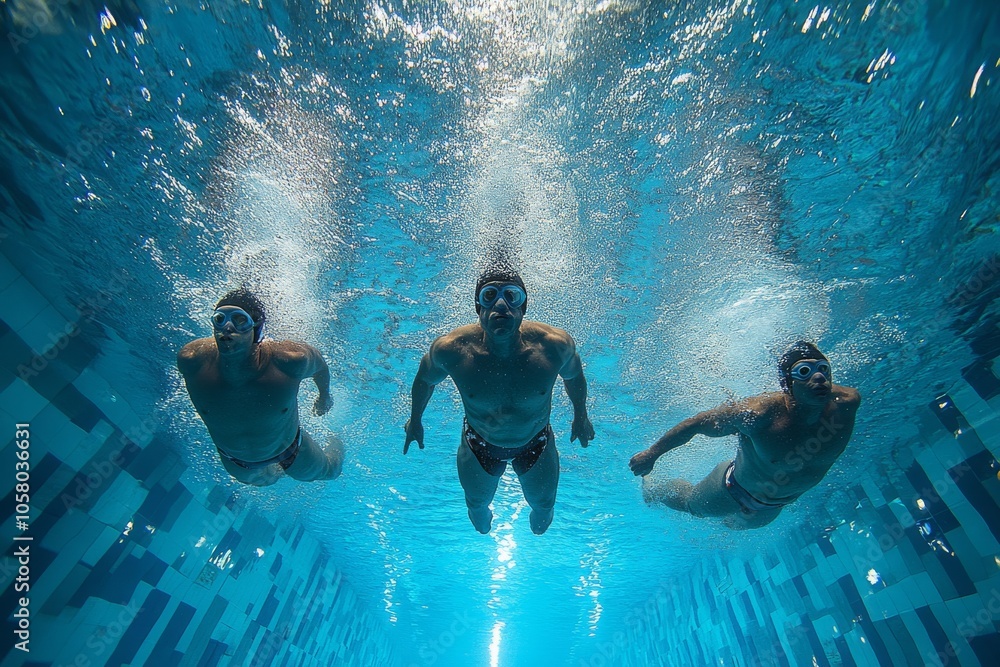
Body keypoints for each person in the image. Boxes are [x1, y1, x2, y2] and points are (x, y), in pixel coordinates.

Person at [403, 269, 595, 535]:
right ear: (478, 306)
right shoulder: (452, 349)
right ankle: (483, 514)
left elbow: (574, 376)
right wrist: (415, 420)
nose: (501, 305)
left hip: (535, 442)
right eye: (490, 295)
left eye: (512, 296)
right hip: (479, 444)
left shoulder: (554, 346)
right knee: (478, 513)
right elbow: (425, 379)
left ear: (523, 307)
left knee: (542, 516)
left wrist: (581, 416)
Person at [629, 341, 860, 529]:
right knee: (692, 505)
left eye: (823, 368)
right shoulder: (760, 414)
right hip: (732, 490)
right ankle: (653, 491)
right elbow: (697, 423)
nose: (819, 378)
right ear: (787, 384)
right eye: (804, 372)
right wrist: (652, 454)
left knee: (731, 527)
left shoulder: (847, 403)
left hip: (775, 505)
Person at [178, 288, 343, 486]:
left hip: (291, 450)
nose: (227, 328)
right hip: (237, 462)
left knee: (331, 471)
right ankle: (273, 472)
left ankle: (337, 441)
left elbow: (320, 366)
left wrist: (324, 396)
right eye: (220, 319)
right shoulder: (192, 360)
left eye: (240, 320)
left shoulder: (289, 361)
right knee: (266, 482)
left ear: (257, 328)